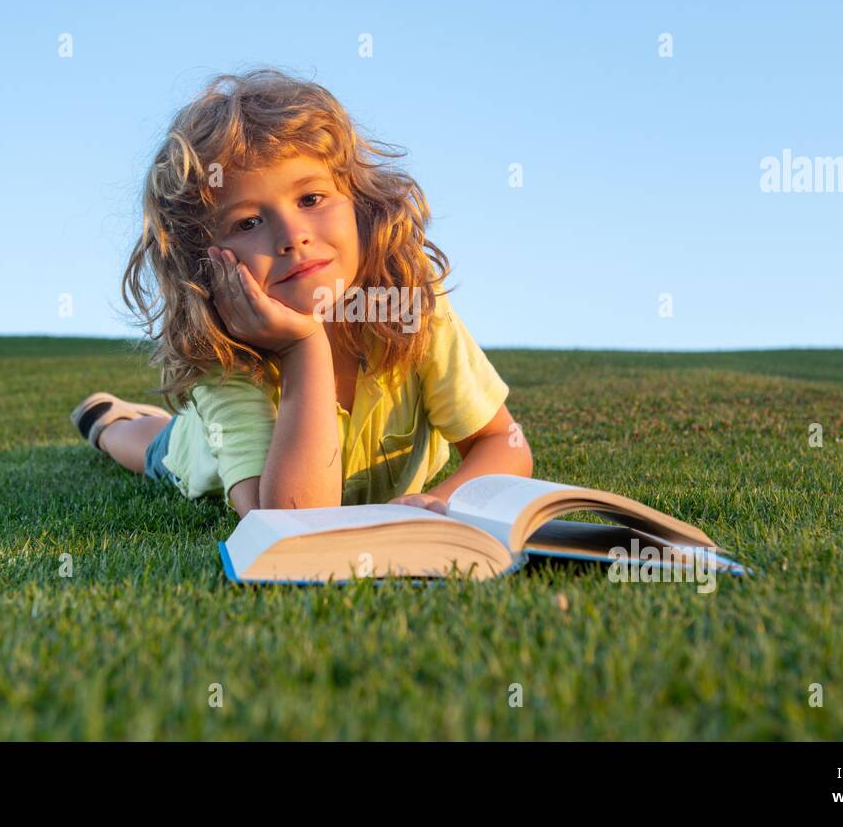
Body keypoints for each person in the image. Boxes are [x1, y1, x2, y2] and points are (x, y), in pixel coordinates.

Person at [72, 67, 531, 518]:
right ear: (207, 262)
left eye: (311, 199)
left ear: (360, 203)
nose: (292, 236)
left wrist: (441, 500)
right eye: (248, 223)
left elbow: (503, 445)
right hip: (199, 449)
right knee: (157, 448)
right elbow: (293, 517)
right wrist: (302, 345)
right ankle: (110, 421)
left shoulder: (410, 303)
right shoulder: (226, 356)